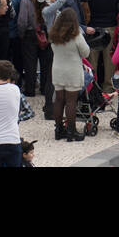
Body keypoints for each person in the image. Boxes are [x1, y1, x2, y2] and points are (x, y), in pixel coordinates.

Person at [49, 8, 91, 142]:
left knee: (59, 100)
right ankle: (71, 132)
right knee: (71, 102)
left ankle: (58, 129)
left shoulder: (53, 35)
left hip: (57, 70)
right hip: (72, 71)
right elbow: (86, 53)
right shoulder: (76, 35)